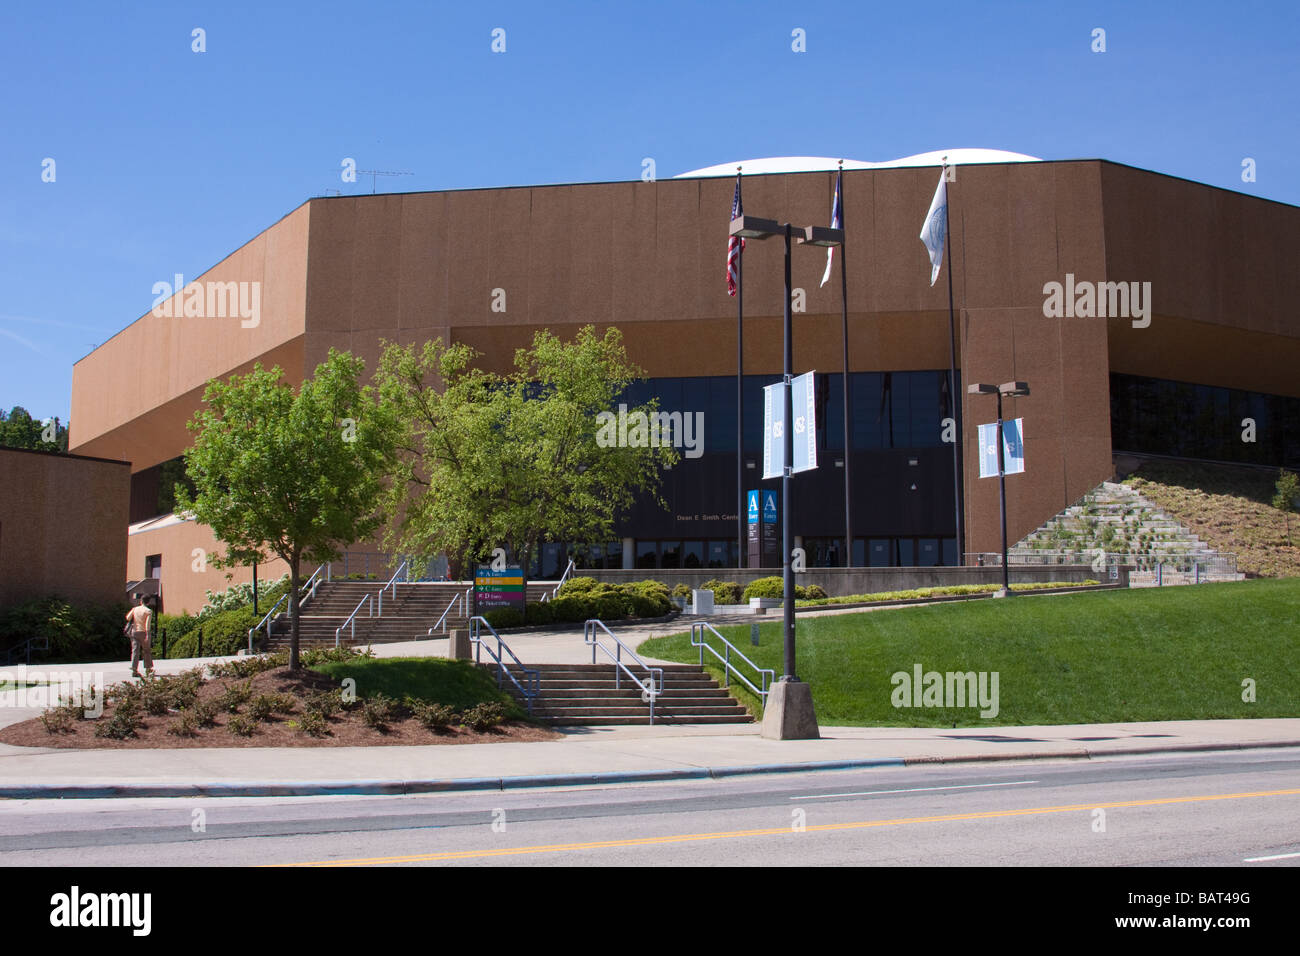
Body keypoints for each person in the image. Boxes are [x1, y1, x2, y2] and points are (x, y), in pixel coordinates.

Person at [124, 594, 154, 678]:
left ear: (141, 601)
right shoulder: (148, 611)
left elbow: (128, 618)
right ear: (148, 602)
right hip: (143, 632)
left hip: (134, 632)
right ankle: (148, 669)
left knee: (135, 651)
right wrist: (148, 635)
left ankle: (134, 669)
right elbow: (147, 625)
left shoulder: (135, 609)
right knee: (146, 651)